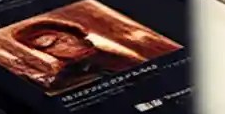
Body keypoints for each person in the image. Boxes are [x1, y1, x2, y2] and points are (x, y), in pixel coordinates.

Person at [12, 18, 145, 89]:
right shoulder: (66, 75)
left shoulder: (118, 54)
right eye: (50, 43)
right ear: (47, 52)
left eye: (65, 36)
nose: (67, 43)